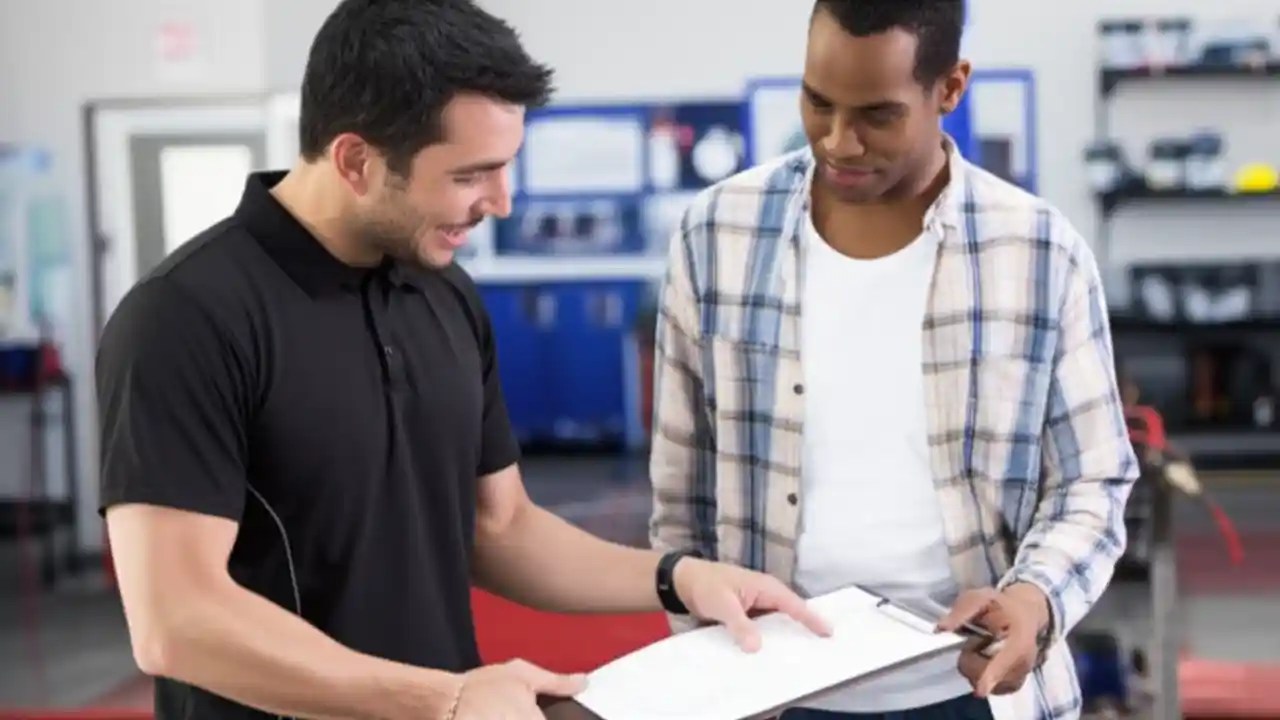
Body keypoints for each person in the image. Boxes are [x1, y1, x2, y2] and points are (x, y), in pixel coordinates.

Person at [95, 1, 832, 719]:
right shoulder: (185, 317)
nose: (503, 202)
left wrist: (679, 577)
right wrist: (442, 698)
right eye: (470, 175)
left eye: (506, 167)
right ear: (355, 160)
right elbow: (177, 622)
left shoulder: (443, 293)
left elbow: (500, 526)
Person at [648, 1, 1139, 719]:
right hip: (770, 692)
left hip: (972, 693)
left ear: (951, 87)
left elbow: (1093, 478)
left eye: (877, 115)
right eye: (818, 103)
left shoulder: (1038, 252)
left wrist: (1032, 599)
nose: (839, 141)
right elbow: (679, 497)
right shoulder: (717, 234)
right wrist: (713, 661)